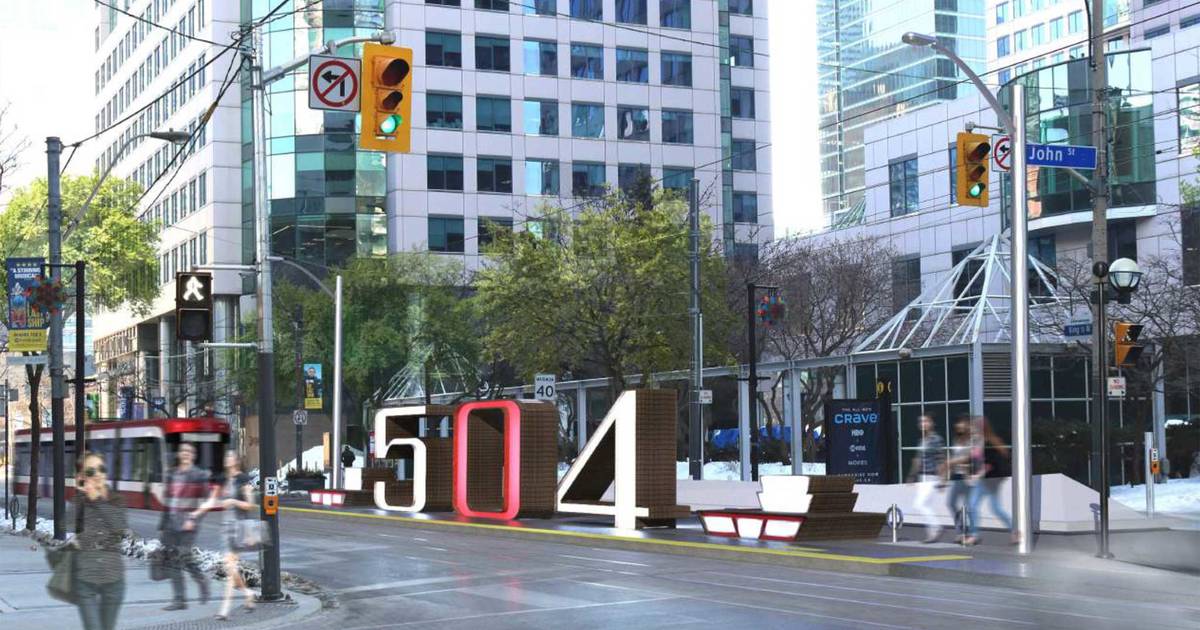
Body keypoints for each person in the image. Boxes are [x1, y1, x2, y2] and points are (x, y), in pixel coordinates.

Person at [72, 451, 129, 630]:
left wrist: (97, 499)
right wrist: (82, 497)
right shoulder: (79, 500)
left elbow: (119, 528)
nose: (97, 474)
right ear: (82, 476)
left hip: (113, 579)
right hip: (85, 579)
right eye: (90, 472)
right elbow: (69, 525)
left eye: (101, 469)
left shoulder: (117, 499)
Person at [159, 443, 219, 610]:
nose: (185, 454)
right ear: (179, 454)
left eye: (188, 451)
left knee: (182, 558)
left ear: (193, 456)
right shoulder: (171, 474)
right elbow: (167, 501)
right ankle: (181, 598)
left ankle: (197, 584)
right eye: (182, 451)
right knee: (175, 561)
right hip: (171, 523)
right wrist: (162, 525)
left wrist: (193, 518)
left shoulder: (199, 475)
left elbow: (207, 502)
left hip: (188, 524)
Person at [213, 453, 257, 621]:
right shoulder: (224, 480)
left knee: (230, 567)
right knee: (230, 567)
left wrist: (233, 501)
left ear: (237, 461)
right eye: (227, 456)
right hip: (226, 528)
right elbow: (218, 501)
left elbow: (250, 504)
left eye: (231, 456)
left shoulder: (243, 479)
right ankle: (248, 593)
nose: (228, 458)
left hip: (239, 527)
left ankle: (225, 609)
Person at [968, 416, 1017, 544]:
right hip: (985, 479)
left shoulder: (990, 442)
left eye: (974, 427)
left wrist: (976, 476)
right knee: (992, 507)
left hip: (989, 480)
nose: (972, 429)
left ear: (981, 427)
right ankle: (1014, 531)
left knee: (979, 506)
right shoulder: (979, 441)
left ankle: (974, 535)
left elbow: (990, 463)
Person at [906, 415, 946, 543]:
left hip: (932, 476)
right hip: (922, 477)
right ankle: (931, 535)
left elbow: (941, 459)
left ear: (932, 423)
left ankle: (937, 527)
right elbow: (917, 459)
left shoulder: (936, 439)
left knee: (919, 504)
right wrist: (912, 475)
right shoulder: (922, 440)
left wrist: (943, 479)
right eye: (921, 421)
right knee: (924, 505)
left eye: (926, 421)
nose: (923, 424)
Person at [943, 415, 980, 545]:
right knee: (951, 503)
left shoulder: (972, 440)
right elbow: (956, 457)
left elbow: (969, 458)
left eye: (962, 424)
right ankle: (960, 531)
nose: (959, 426)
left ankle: (973, 533)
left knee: (969, 506)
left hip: (967, 477)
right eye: (958, 424)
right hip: (956, 476)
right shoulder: (956, 439)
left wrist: (951, 462)